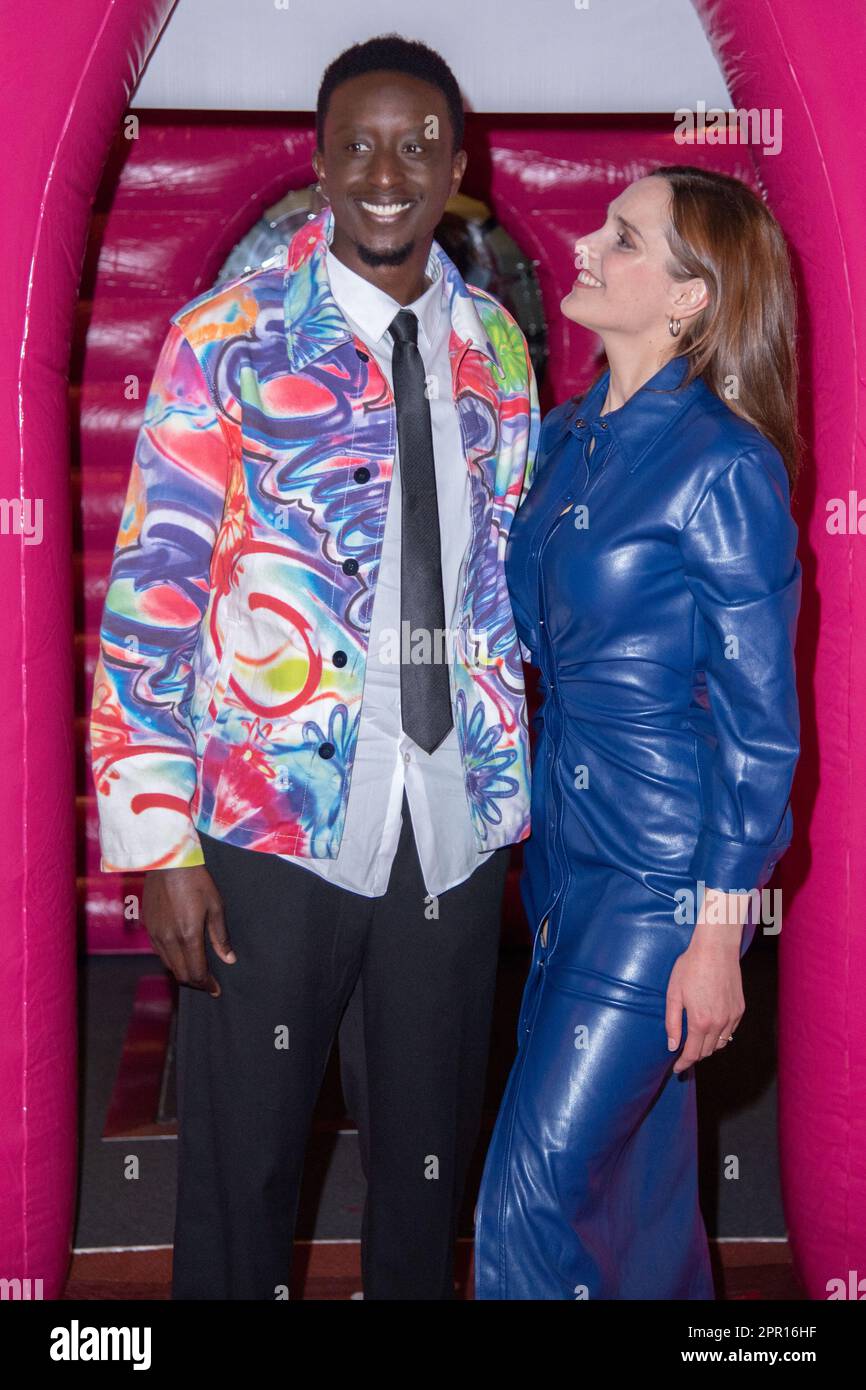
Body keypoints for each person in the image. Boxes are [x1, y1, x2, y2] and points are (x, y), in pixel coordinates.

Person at [90, 33, 540, 1300]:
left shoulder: (496, 351)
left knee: (427, 1173)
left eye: (414, 144)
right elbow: (150, 601)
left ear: (459, 163)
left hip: (449, 828)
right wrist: (159, 845)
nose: (384, 171)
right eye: (356, 143)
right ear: (319, 160)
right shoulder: (223, 341)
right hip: (269, 827)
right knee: (241, 1177)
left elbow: (497, 581)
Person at [473, 165, 802, 1300]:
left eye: (621, 237)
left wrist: (717, 936)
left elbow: (761, 735)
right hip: (562, 863)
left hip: (659, 883)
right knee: (638, 1208)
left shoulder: (723, 464)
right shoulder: (564, 441)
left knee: (526, 1196)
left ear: (688, 298)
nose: (582, 244)